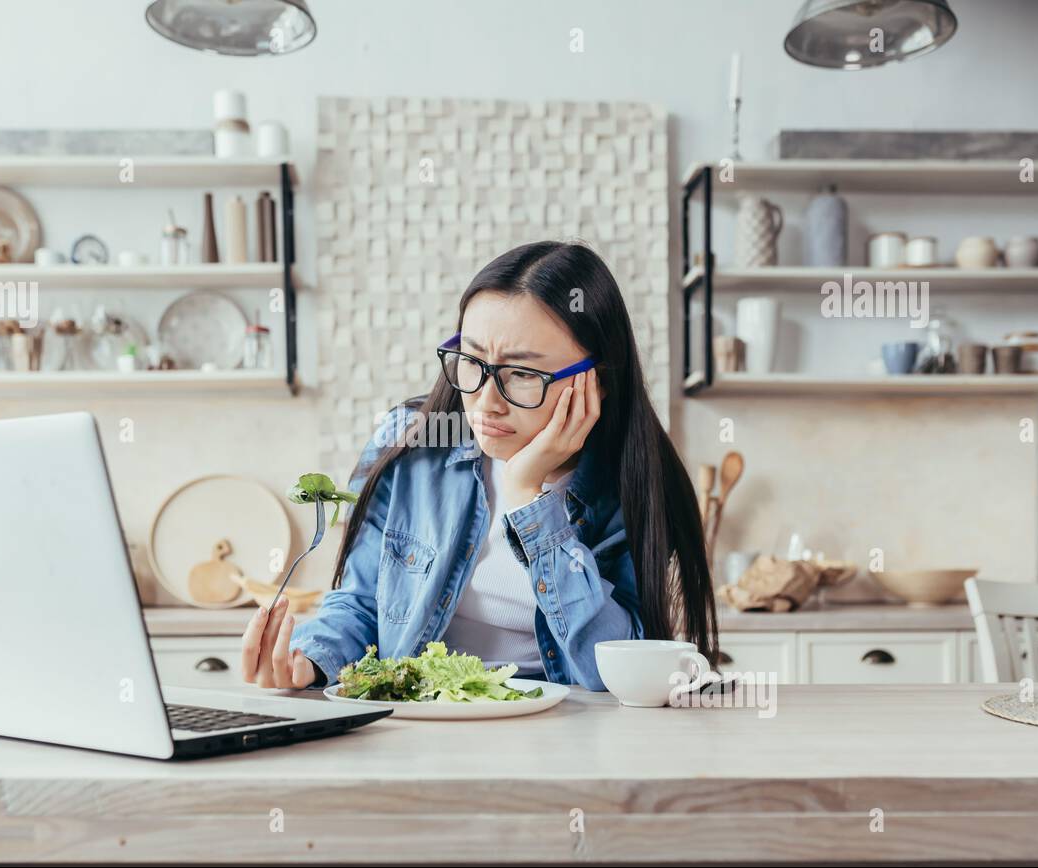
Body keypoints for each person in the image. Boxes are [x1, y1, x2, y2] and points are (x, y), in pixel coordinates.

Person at [241, 240, 717, 691]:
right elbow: (364, 602)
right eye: (472, 360)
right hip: (423, 726)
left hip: (566, 736)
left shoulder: (630, 485)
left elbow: (615, 671)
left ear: (598, 382)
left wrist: (530, 497)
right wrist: (306, 659)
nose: (486, 402)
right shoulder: (409, 442)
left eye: (524, 373)